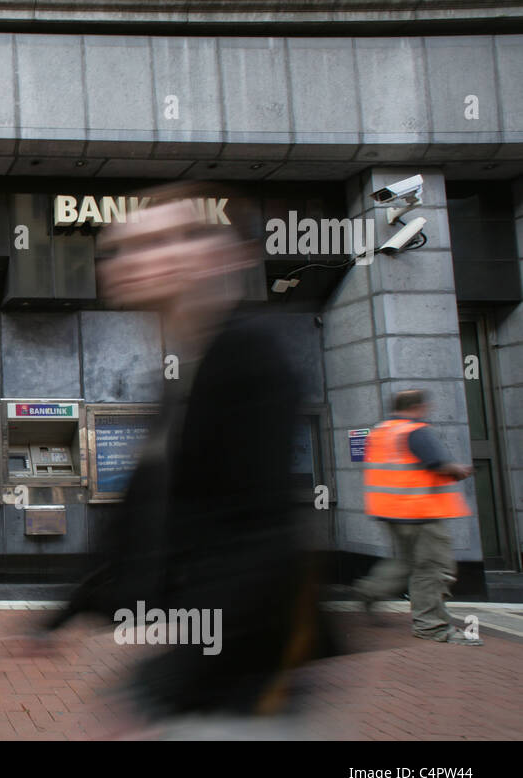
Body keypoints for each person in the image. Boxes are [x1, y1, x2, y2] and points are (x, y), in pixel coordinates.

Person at [25, 182, 336, 733]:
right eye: (125, 248)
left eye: (168, 241)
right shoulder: (182, 371)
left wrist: (171, 682)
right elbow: (142, 519)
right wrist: (65, 614)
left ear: (223, 257)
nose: (135, 260)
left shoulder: (248, 355)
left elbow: (260, 537)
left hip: (249, 679)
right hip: (211, 672)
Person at [352, 389, 479, 645]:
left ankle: (369, 591)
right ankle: (431, 626)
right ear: (419, 407)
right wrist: (460, 470)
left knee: (407, 563)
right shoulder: (416, 431)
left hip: (390, 511)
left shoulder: (381, 432)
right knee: (434, 569)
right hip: (421, 512)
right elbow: (437, 464)